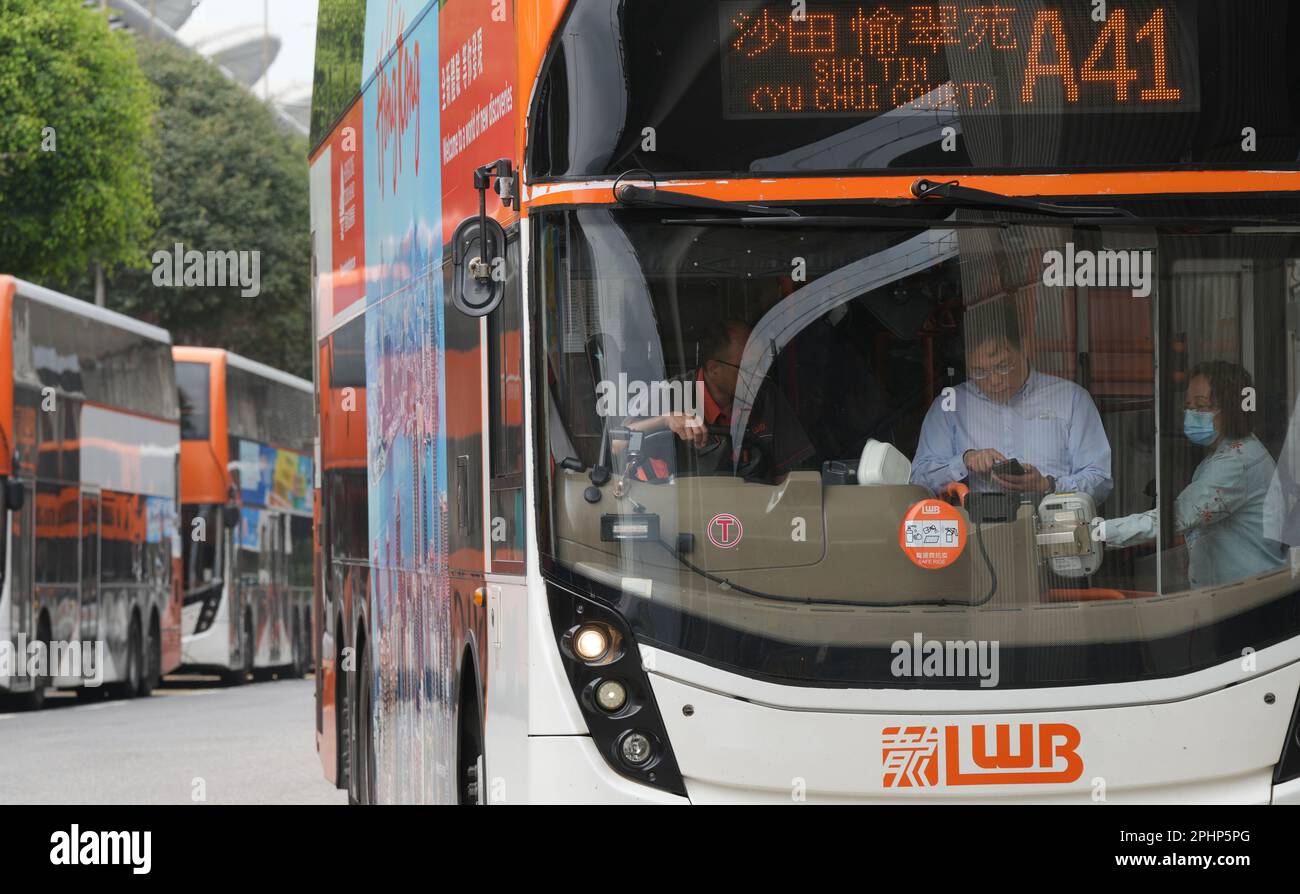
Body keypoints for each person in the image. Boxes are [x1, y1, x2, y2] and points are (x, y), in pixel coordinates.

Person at [1103, 361, 1284, 589]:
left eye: (1202, 407)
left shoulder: (1237, 462)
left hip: (1252, 599)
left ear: (1231, 409)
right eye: (1189, 406)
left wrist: (1098, 535)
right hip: (1233, 594)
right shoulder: (1228, 452)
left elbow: (1179, 516)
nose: (1192, 415)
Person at [911, 300, 1113, 504]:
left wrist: (1048, 486)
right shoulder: (950, 405)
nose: (994, 380)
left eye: (1003, 366)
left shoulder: (1072, 400)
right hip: (977, 529)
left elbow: (1100, 480)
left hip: (1054, 526)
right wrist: (964, 461)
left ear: (1025, 347)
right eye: (979, 372)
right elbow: (918, 481)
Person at [625, 319, 814, 479]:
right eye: (748, 367)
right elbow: (616, 444)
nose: (758, 375)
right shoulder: (667, 394)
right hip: (684, 513)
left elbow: (795, 474)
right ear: (714, 369)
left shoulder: (767, 396)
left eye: (761, 364)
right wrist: (665, 420)